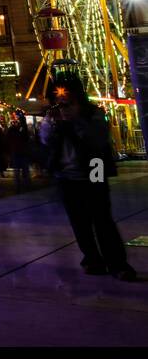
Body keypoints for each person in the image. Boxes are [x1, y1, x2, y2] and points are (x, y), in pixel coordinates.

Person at [46, 76, 135, 280]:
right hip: (66, 175)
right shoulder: (53, 116)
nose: (63, 102)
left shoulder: (93, 113)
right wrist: (54, 125)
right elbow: (46, 141)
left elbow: (98, 140)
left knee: (102, 218)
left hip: (95, 168)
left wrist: (76, 121)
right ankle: (92, 258)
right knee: (79, 222)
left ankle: (118, 263)